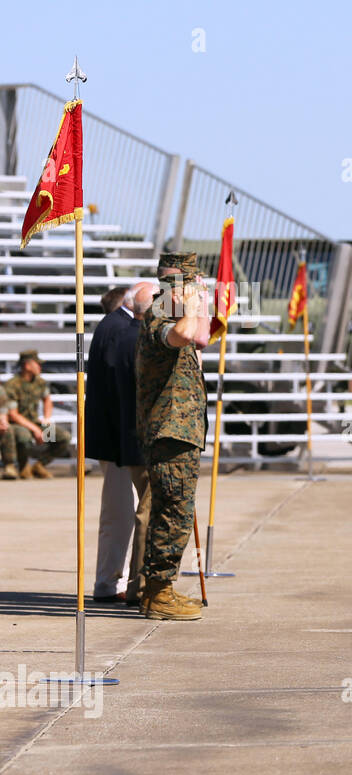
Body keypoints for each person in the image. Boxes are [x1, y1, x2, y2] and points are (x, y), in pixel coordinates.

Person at [136, 252, 210, 621]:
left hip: (180, 432)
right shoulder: (160, 316)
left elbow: (202, 337)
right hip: (170, 431)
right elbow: (183, 335)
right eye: (193, 286)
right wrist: (191, 305)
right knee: (172, 514)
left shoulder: (174, 312)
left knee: (175, 512)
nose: (199, 293)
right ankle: (158, 593)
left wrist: (197, 305)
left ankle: (158, 590)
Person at [87, 284, 153, 604]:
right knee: (120, 514)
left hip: (117, 437)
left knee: (122, 513)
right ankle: (110, 581)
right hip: (119, 439)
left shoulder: (113, 327)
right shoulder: (118, 328)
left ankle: (112, 579)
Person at [3, 350, 72, 478]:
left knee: (63, 437)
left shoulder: (39, 382)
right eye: (37, 364)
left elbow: (47, 400)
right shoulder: (12, 385)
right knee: (24, 437)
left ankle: (40, 464)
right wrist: (35, 429)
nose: (40, 367)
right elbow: (13, 414)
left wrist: (46, 418)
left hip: (35, 422)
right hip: (17, 425)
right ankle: (24, 467)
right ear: (27, 365)